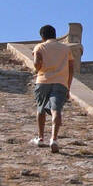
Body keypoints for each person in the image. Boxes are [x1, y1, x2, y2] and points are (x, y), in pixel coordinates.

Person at [31, 24, 74, 152]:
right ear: (55, 35)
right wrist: (68, 87)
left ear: (42, 36)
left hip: (43, 81)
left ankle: (40, 138)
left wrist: (36, 69)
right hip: (61, 83)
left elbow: (37, 63)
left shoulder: (40, 46)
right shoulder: (66, 49)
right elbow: (71, 69)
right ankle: (54, 139)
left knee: (40, 109)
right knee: (56, 110)